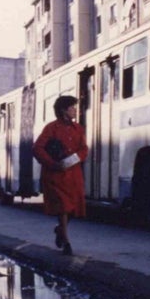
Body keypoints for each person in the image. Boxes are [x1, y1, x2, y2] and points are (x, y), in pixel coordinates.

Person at [33, 95, 88, 255]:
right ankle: (66, 242)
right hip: (55, 175)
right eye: (72, 107)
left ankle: (60, 230)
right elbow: (37, 148)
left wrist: (74, 159)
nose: (75, 110)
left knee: (73, 208)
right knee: (63, 207)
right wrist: (52, 163)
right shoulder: (51, 128)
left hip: (73, 174)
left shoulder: (78, 128)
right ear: (64, 110)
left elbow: (84, 148)